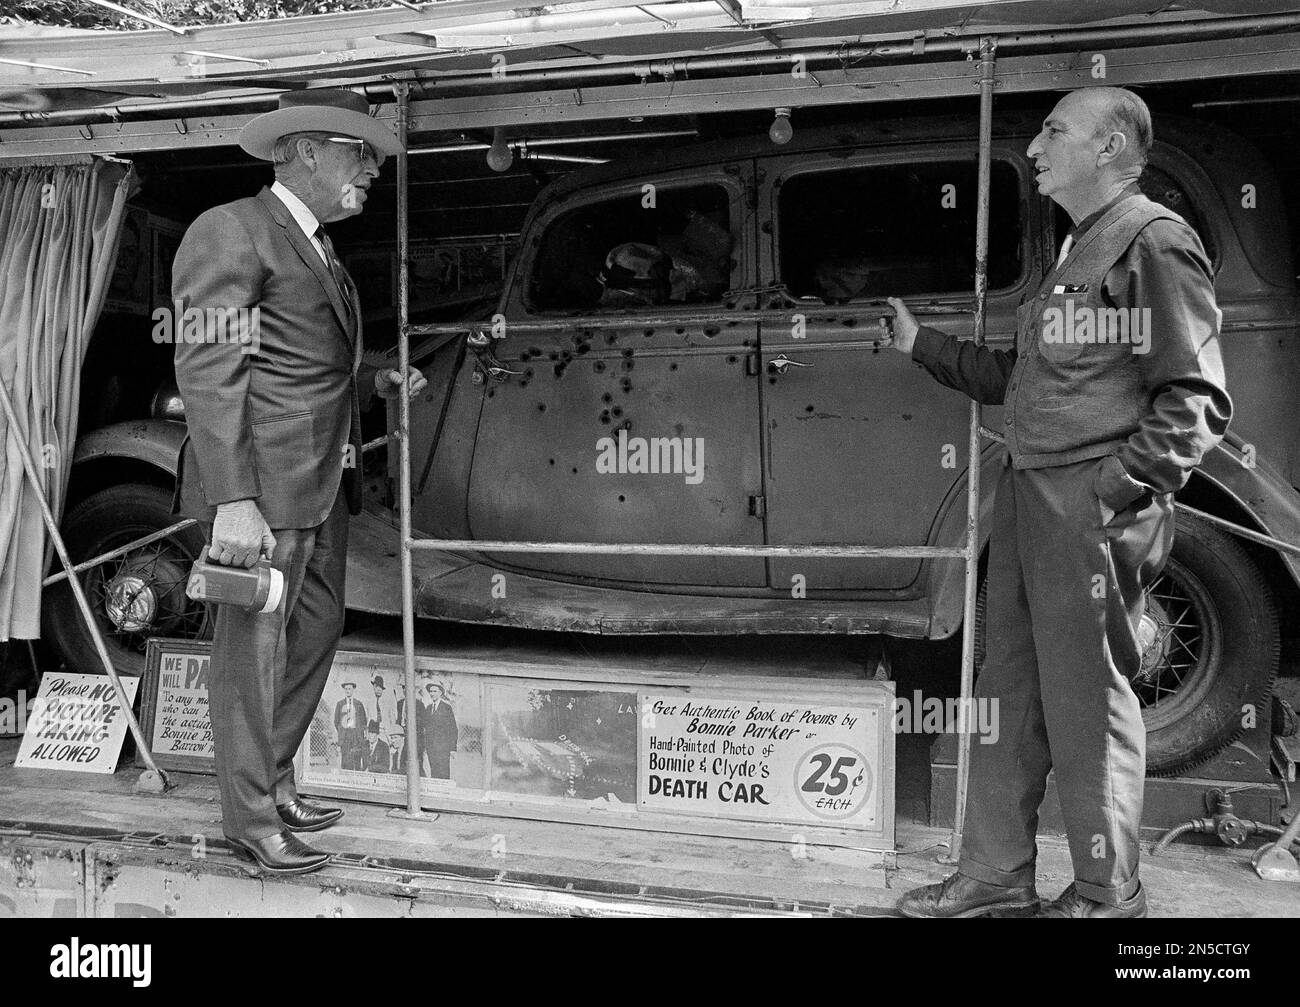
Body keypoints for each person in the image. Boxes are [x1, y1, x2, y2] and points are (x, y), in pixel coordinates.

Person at [892, 86, 1231, 918]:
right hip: (1029, 494)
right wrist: (922, 347)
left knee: (1088, 705)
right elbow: (1025, 381)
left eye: (1055, 129)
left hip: (1088, 503)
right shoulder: (1079, 248)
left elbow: (1196, 397)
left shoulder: (1153, 242)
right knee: (1007, 690)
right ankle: (995, 876)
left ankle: (1106, 895)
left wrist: (1116, 490)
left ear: (1111, 147)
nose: (1036, 146)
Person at [172, 88, 425, 875]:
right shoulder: (233, 231)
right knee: (253, 651)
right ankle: (248, 818)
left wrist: (378, 379)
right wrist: (233, 500)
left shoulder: (316, 244)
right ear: (307, 152)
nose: (374, 169)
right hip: (263, 494)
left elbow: (305, 361)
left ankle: (273, 780)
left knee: (311, 638)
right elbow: (209, 369)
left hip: (321, 488)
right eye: (361, 153)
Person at [421, 682, 459, 780]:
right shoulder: (428, 708)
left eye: (435, 691)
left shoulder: (446, 708)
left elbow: (453, 728)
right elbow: (425, 727)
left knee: (443, 773)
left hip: (443, 748)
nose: (432, 694)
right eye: (430, 691)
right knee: (434, 772)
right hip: (431, 748)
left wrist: (452, 748)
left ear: (440, 693)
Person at [335, 682, 367, 772]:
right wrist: (342, 732)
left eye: (349, 689)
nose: (348, 691)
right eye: (346, 689)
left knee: (356, 760)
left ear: (353, 690)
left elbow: (363, 720)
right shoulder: (340, 704)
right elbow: (336, 721)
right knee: (345, 760)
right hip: (345, 737)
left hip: (356, 736)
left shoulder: (359, 704)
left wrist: (359, 733)